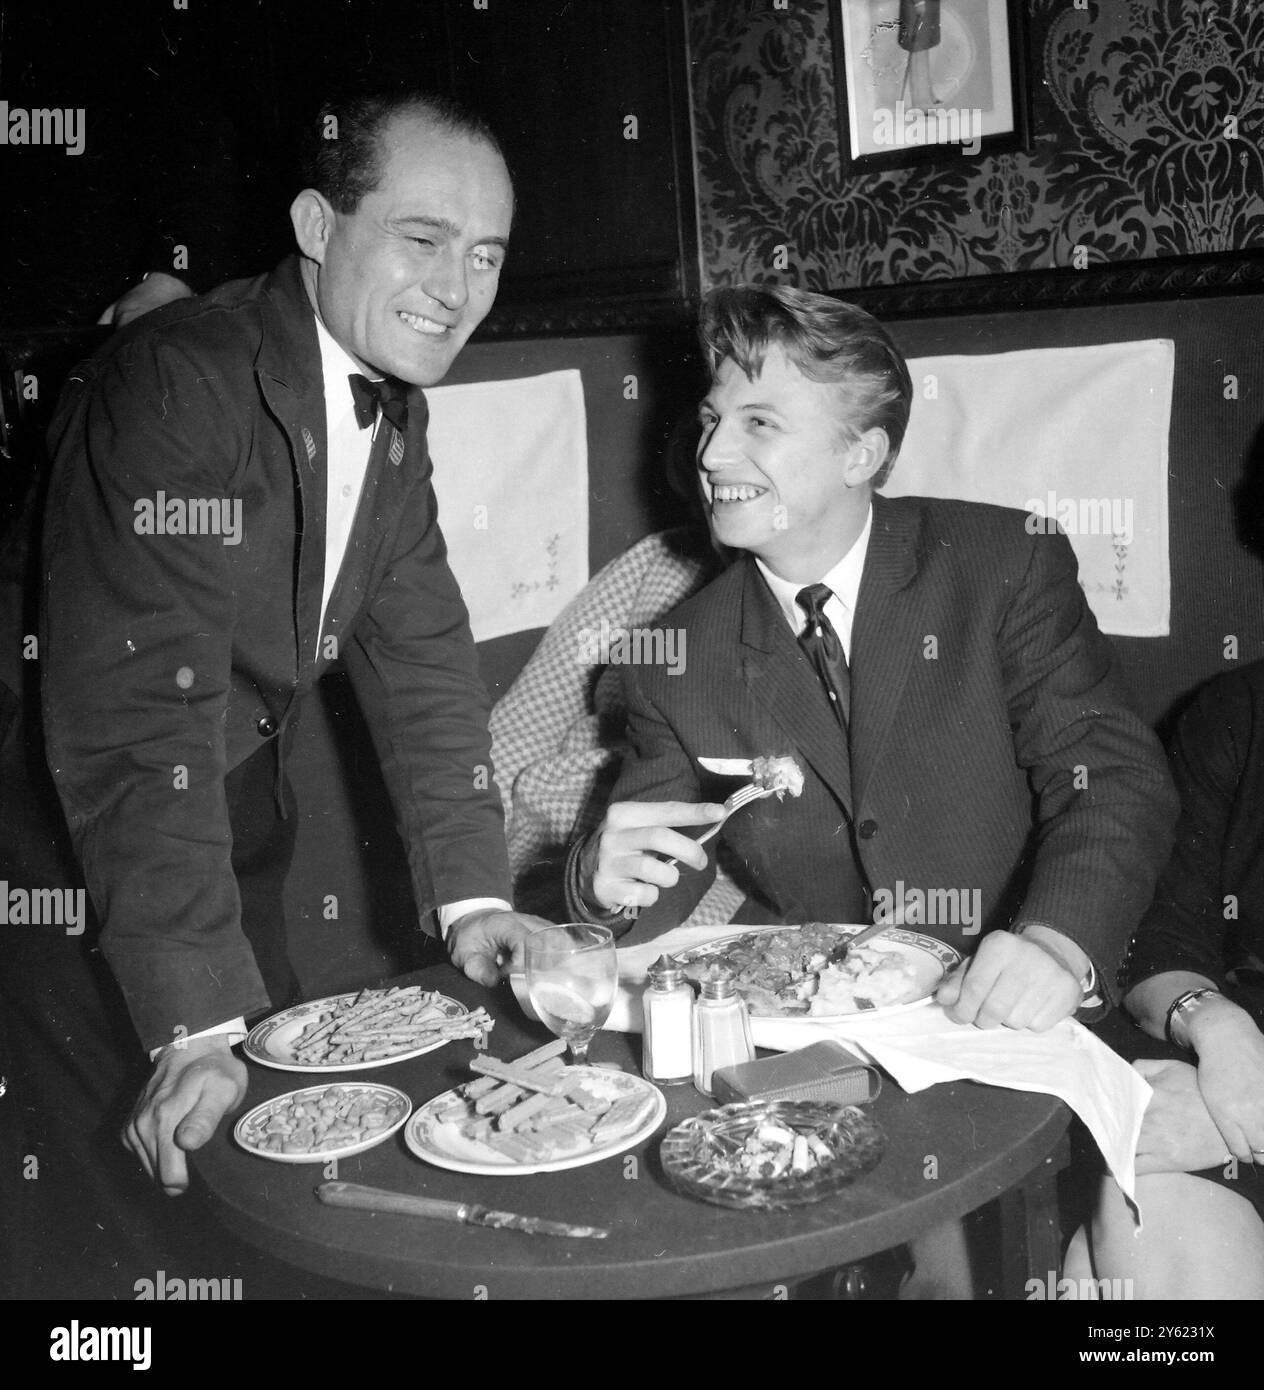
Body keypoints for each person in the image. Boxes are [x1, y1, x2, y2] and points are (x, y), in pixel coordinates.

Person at [32, 90, 545, 1207]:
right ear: (317, 229)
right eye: (422, 239)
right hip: (63, 840)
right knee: (134, 1193)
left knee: (270, 1152)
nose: (458, 289)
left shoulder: (390, 410)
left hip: (220, 800)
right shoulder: (179, 380)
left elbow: (426, 673)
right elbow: (133, 721)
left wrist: (473, 904)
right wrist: (193, 1019)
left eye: (487, 255)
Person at [569, 284, 1177, 1034]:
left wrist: (1054, 942)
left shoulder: (1002, 566)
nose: (711, 452)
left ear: (862, 453)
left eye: (759, 422)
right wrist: (602, 887)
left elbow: (1113, 778)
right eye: (711, 418)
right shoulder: (672, 659)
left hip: (1011, 997)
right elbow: (658, 870)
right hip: (811, 1018)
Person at [1068, 660, 1264, 1299]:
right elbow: (1157, 924)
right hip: (1226, 1067)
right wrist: (1211, 1019)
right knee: (1147, 1198)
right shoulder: (1243, 704)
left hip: (1235, 1108)